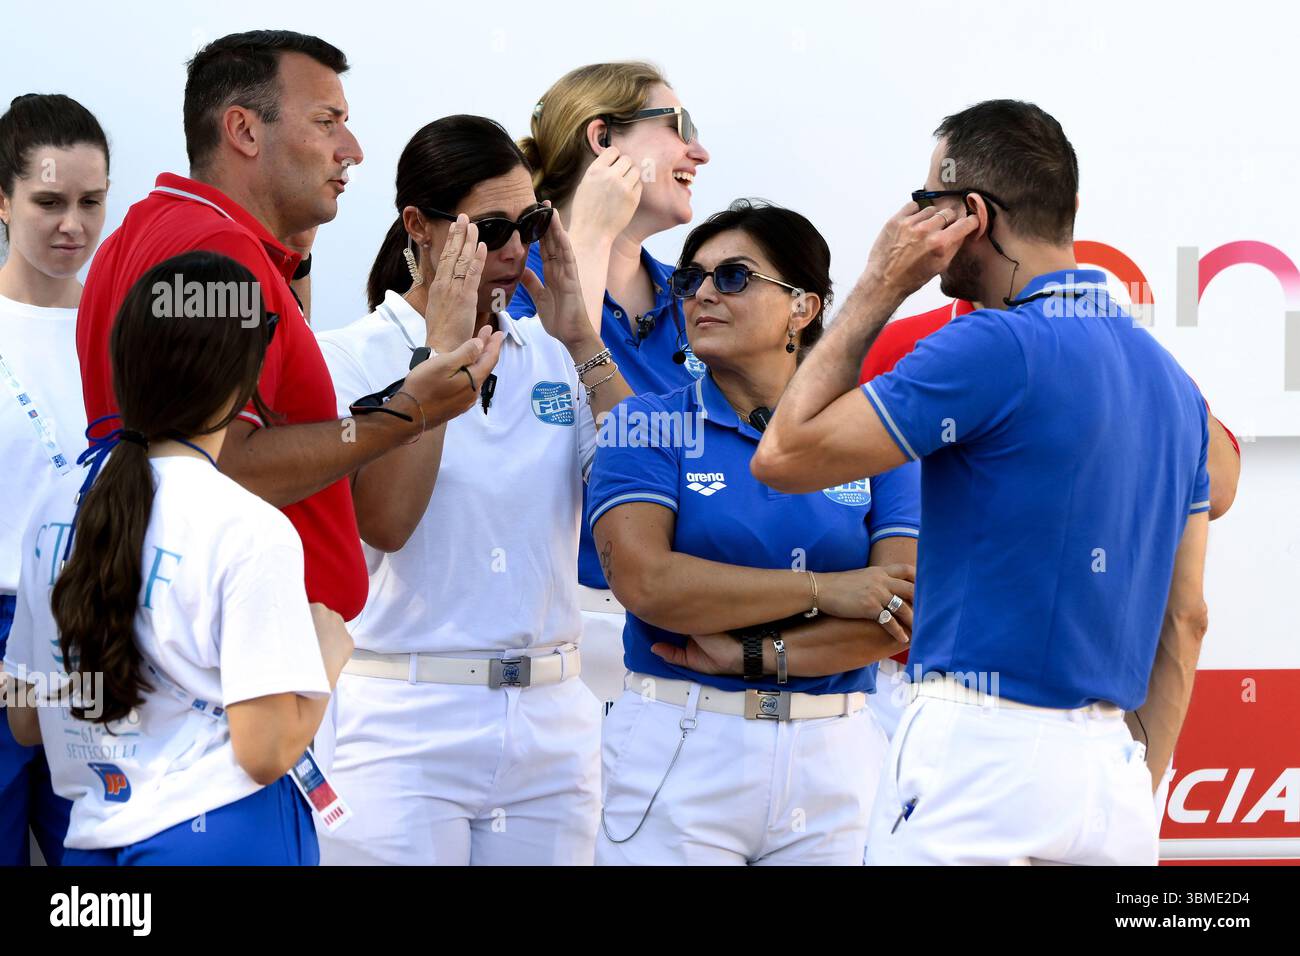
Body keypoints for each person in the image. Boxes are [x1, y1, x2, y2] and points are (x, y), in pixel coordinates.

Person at [755, 100, 1211, 866]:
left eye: (926, 201)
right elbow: (1187, 618)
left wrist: (878, 284)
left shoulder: (991, 344)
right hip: (1115, 777)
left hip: (979, 755)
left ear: (973, 213)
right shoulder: (1175, 386)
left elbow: (784, 454)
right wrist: (1129, 788)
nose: (911, 222)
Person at [74, 30, 500, 625]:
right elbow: (224, 463)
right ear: (244, 130)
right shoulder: (217, 248)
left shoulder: (137, 235)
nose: (352, 149)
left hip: (178, 621)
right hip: (236, 652)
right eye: (328, 122)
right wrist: (409, 411)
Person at [315, 115, 632, 866]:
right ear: (417, 227)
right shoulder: (347, 358)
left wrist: (583, 339)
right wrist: (440, 357)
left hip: (552, 721)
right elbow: (388, 522)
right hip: (406, 717)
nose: (517, 250)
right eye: (492, 230)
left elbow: (642, 481)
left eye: (529, 223)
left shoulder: (551, 355)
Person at [588, 200, 920, 865]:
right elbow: (649, 583)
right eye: (692, 279)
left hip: (837, 759)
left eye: (733, 277)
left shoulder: (874, 430)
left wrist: (749, 654)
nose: (703, 293)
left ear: (804, 307)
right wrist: (829, 589)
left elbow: (897, 613)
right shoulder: (645, 423)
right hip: (679, 747)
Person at [4, 251, 353, 865]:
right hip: (219, 837)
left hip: (91, 844)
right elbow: (264, 750)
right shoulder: (249, 528)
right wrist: (325, 660)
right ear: (239, 380)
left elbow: (27, 721)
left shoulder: (54, 512)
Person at [858, 299, 1242, 741]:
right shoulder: (906, 343)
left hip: (1071, 690)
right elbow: (817, 478)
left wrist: (1140, 372)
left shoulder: (1112, 348)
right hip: (915, 679)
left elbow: (1219, 487)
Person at [510, 63, 711, 704]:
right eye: (680, 127)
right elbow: (540, 414)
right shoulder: (510, 278)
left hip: (678, 632)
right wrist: (590, 232)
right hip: (547, 632)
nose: (699, 152)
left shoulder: (703, 302)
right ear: (602, 139)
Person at [0, 92, 110, 866]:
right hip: (6, 627)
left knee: (102, 880)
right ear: (2, 201)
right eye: (49, 201)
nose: (72, 224)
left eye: (90, 201)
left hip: (101, 632)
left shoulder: (124, 330)